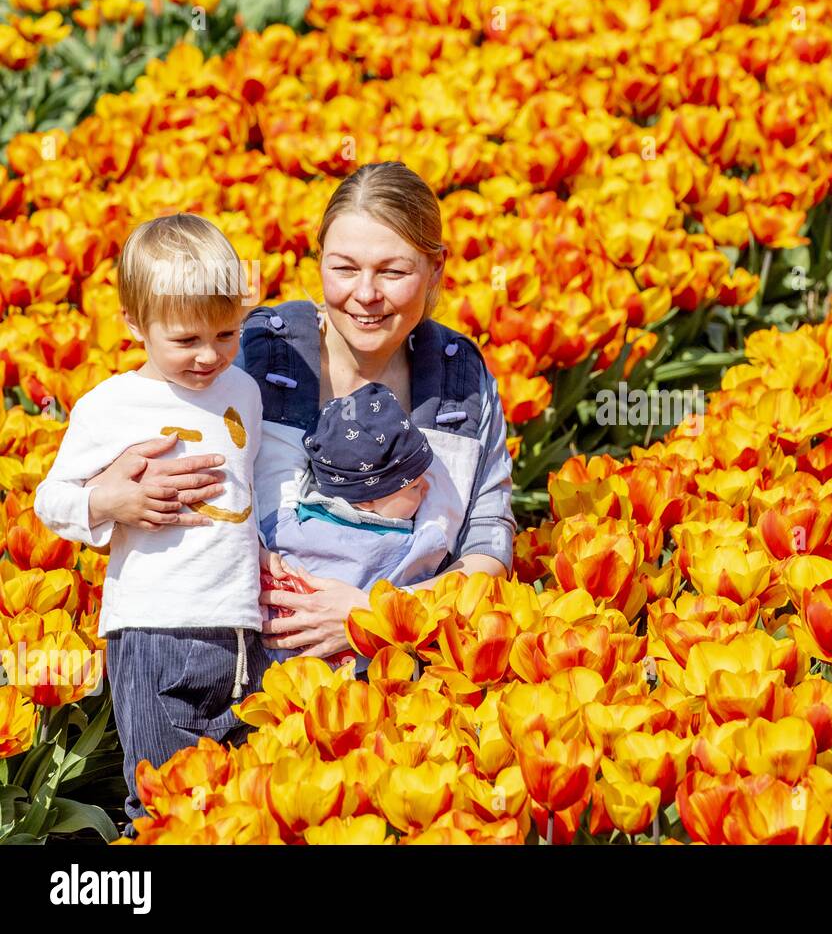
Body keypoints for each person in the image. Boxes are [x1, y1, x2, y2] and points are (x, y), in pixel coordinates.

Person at [81, 161, 516, 672]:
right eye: (344, 268)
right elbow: (149, 432)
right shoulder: (263, 356)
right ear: (319, 262)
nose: (366, 294)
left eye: (393, 271)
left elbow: (488, 544)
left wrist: (372, 615)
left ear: (436, 268)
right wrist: (109, 487)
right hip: (234, 675)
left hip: (408, 675)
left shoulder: (460, 381)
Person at [31, 214, 275, 835]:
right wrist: (111, 503)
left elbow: (245, 487)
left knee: (235, 799)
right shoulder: (110, 406)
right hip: (152, 629)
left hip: (240, 629)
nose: (208, 355)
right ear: (135, 326)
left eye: (226, 333)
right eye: (185, 339)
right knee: (161, 796)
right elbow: (51, 500)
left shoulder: (243, 390)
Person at [261, 380, 442, 672]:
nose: (427, 489)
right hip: (360, 670)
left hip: (280, 664)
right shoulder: (396, 545)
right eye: (413, 487)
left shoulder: (290, 522)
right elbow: (436, 554)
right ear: (367, 501)